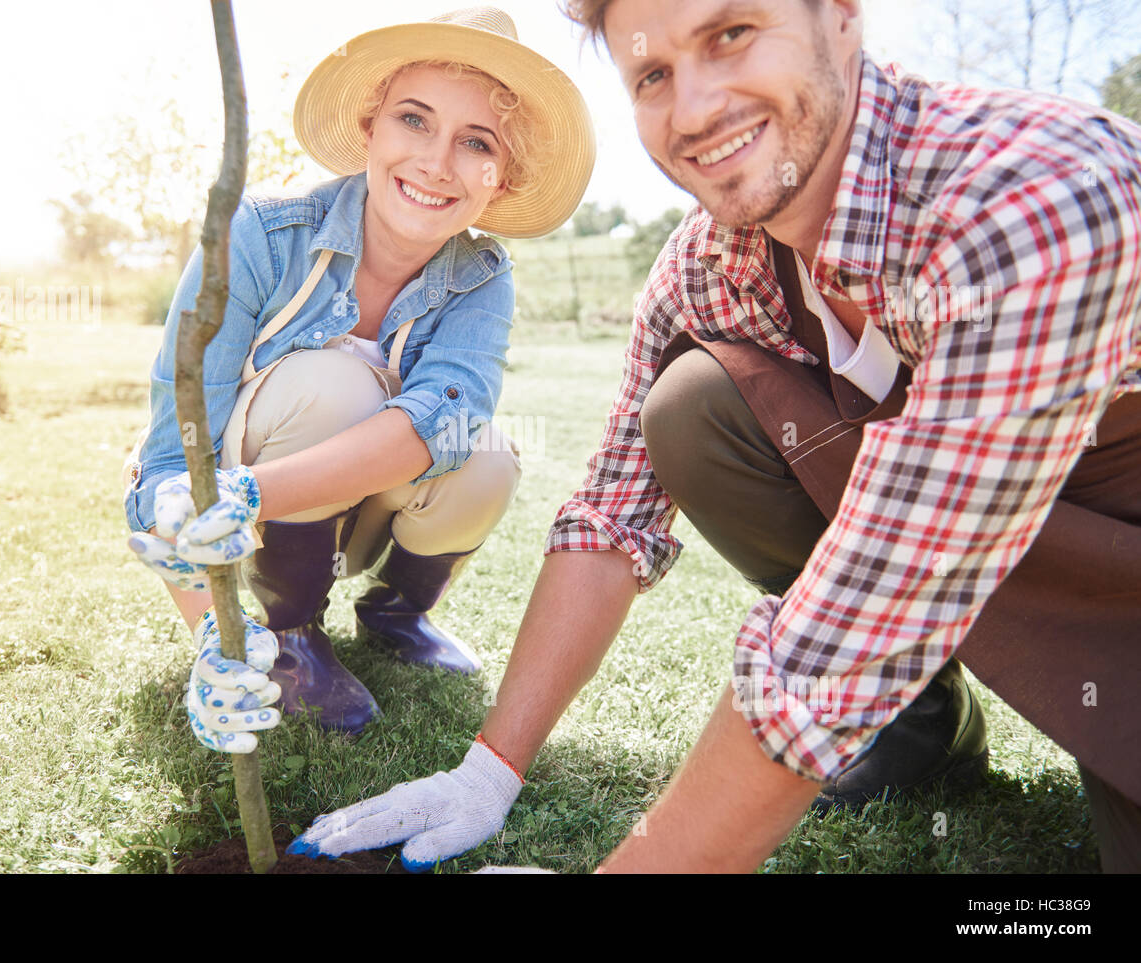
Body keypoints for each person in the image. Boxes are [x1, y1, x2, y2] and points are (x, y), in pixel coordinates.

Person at [291, 0, 1141, 872]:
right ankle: (916, 723)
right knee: (692, 403)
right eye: (654, 76)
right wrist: (489, 770)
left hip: (1112, 560)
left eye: (731, 34)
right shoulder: (708, 266)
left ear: (841, 18)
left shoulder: (1035, 191)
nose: (694, 111)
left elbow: (869, 607)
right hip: (963, 544)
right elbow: (612, 514)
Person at [121, 6, 595, 745]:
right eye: (414, 120)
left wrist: (251, 496)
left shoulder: (482, 278)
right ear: (369, 128)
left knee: (489, 454)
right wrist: (222, 633)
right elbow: (166, 466)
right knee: (334, 383)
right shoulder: (259, 232)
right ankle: (292, 632)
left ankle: (396, 611)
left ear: (501, 178)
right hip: (248, 514)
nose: (438, 162)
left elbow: (445, 418)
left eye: (476, 142)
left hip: (305, 505)